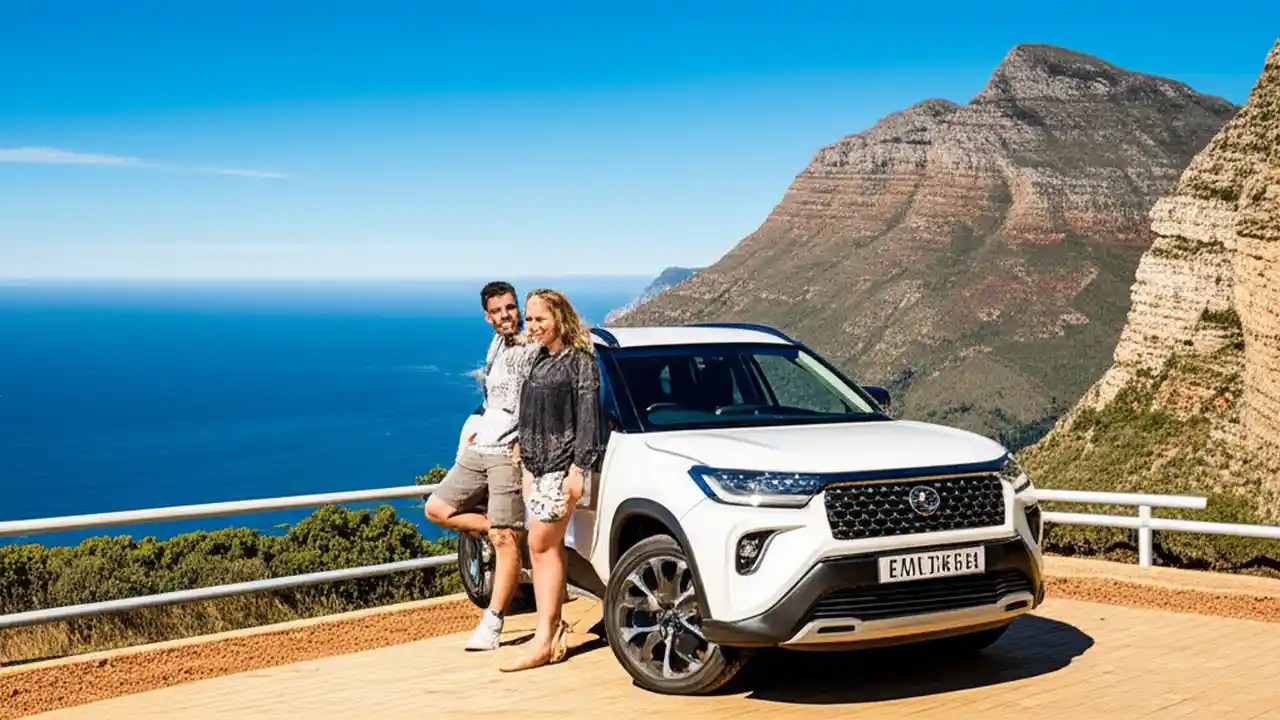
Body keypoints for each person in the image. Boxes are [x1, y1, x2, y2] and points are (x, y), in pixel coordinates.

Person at [425, 281, 538, 651]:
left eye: (510, 308)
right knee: (436, 509)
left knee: (505, 540)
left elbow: (541, 401)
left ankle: (493, 624)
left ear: (518, 308)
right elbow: (495, 399)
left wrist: (524, 441)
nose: (506, 316)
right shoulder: (496, 345)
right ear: (487, 317)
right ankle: (504, 531)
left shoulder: (532, 346)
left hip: (508, 453)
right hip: (482, 444)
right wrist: (480, 425)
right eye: (497, 311)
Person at [501, 288, 603, 672]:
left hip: (561, 469)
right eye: (529, 319)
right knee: (547, 548)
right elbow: (528, 416)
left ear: (560, 317)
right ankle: (551, 633)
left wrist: (577, 471)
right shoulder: (539, 359)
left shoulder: (580, 362)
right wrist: (526, 464)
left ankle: (546, 638)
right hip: (537, 469)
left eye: (540, 318)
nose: (533, 326)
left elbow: (588, 420)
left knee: (541, 546)